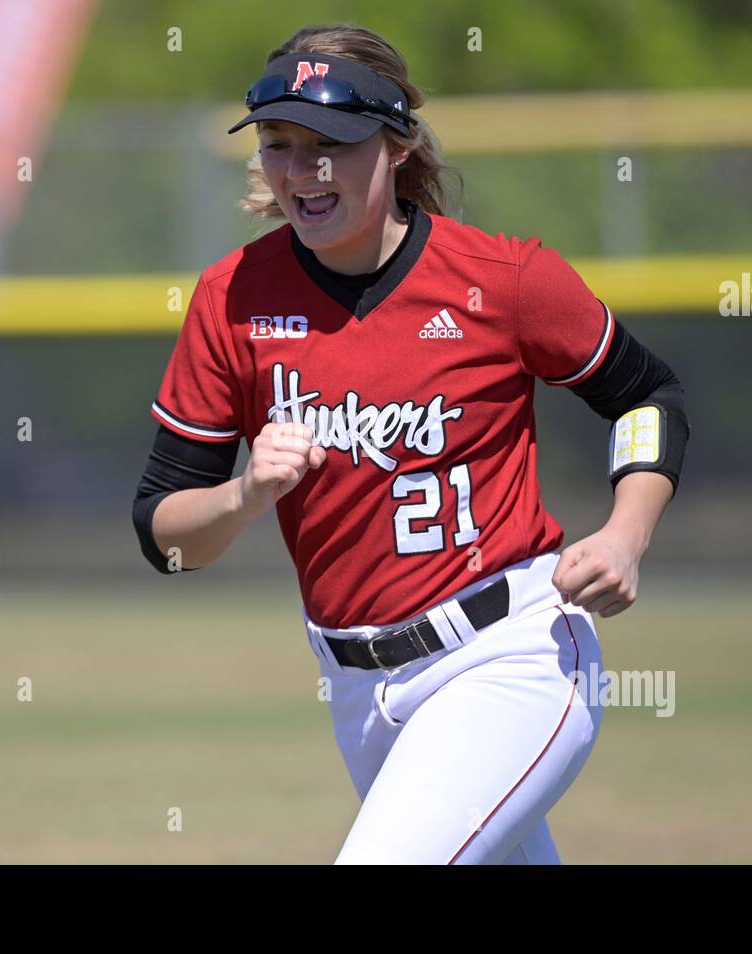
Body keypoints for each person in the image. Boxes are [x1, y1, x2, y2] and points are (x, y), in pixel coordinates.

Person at [133, 23, 689, 864]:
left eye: (332, 143)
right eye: (280, 144)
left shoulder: (500, 280)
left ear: (396, 145)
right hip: (358, 692)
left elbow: (648, 395)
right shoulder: (233, 298)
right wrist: (244, 495)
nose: (302, 170)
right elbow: (164, 534)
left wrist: (625, 533)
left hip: (511, 659)